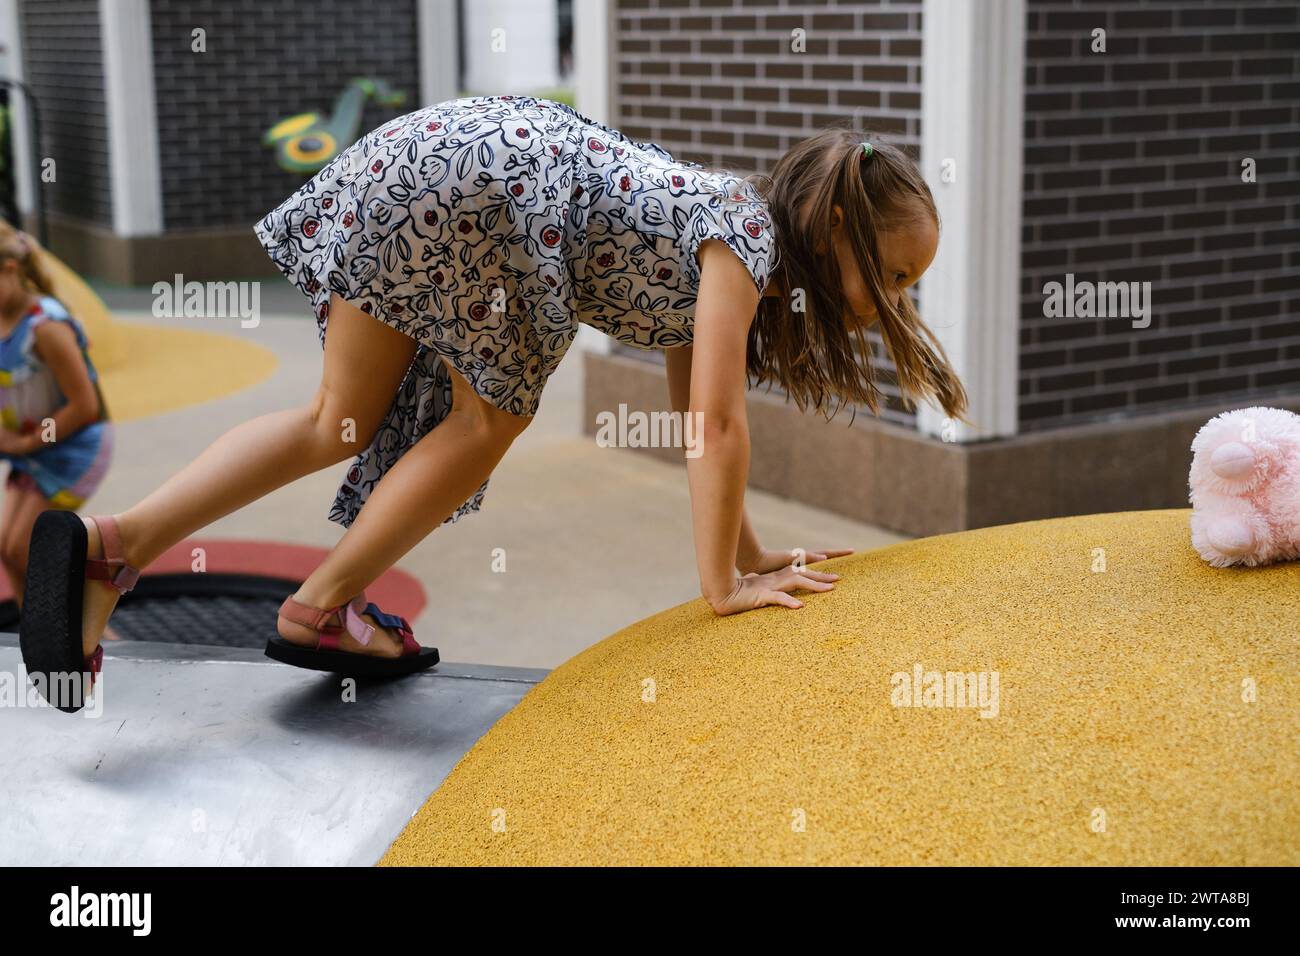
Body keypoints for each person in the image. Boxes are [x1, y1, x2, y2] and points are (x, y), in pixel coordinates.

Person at [20, 95, 969, 712]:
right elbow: (720, 424)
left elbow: (692, 421)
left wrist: (750, 553)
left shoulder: (714, 221)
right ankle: (320, 607)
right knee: (485, 422)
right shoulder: (746, 240)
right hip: (499, 188)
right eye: (894, 273)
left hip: (431, 160)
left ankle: (114, 544)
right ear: (836, 223)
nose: (895, 298)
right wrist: (724, 587)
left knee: (331, 419)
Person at [0, 221, 113, 615]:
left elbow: (85, 407)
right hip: (31, 450)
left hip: (74, 447)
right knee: (7, 547)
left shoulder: (45, 327)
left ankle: (90, 633)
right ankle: (36, 631)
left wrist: (23, 443)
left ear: (10, 270)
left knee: (24, 547)